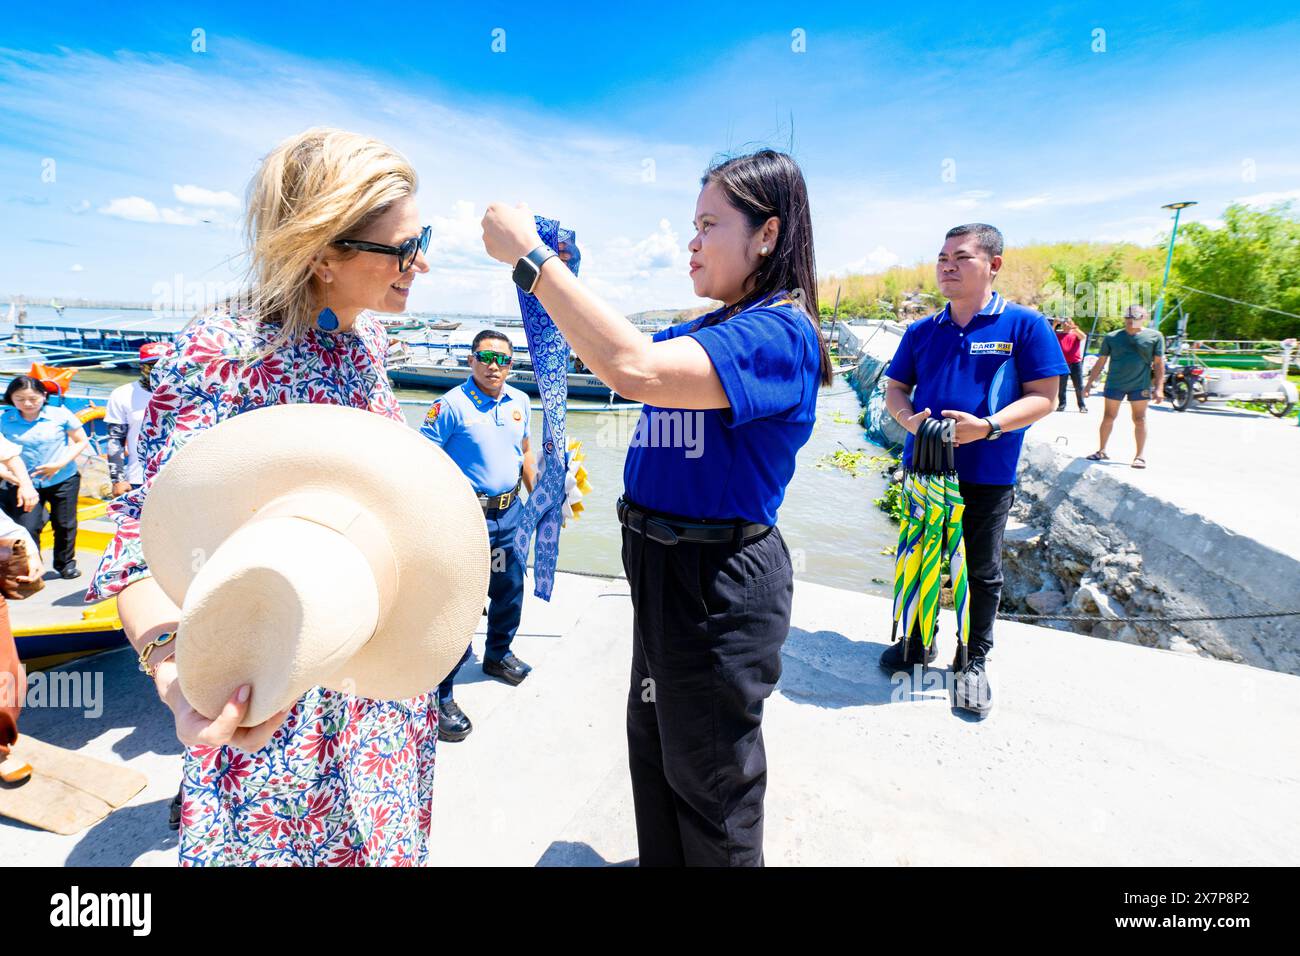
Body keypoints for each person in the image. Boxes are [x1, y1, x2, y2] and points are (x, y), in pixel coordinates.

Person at [86, 127, 444, 867]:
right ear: (322, 254)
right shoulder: (221, 353)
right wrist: (174, 673)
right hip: (271, 722)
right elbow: (138, 544)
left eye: (423, 238)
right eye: (404, 249)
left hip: (380, 705)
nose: (423, 263)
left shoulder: (368, 343)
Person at [482, 148, 833, 866]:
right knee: (659, 756)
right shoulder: (716, 326)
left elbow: (634, 370)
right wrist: (560, 279)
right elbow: (612, 354)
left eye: (709, 224)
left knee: (714, 788)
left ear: (767, 235)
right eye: (692, 225)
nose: (692, 242)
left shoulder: (778, 333)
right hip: (665, 573)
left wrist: (530, 261)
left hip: (714, 581)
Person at [880, 223, 1065, 716]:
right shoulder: (922, 331)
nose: (947, 265)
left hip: (986, 473)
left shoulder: (1025, 326)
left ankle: (972, 658)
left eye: (961, 257)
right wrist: (908, 420)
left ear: (993, 265)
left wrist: (987, 426)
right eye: (942, 257)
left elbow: (1045, 397)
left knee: (979, 570)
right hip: (925, 469)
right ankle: (917, 643)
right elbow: (895, 388)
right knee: (920, 559)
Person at [419, 329, 537, 742]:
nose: (494, 366)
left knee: (509, 590)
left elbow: (524, 453)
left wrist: (538, 503)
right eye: (486, 357)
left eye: (503, 359)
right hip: (465, 518)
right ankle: (441, 695)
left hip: (511, 514)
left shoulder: (520, 402)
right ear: (471, 360)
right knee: (458, 604)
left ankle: (497, 656)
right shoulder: (449, 406)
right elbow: (422, 461)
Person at [1, 375, 90, 579]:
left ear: (44, 395)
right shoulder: (4, 420)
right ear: (11, 399)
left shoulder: (60, 415)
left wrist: (58, 464)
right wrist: (7, 474)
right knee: (28, 525)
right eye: (20, 399)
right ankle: (33, 566)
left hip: (62, 478)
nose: (28, 403)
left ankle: (65, 563)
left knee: (65, 524)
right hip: (23, 483)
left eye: (33, 398)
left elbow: (80, 440)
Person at [1082, 305, 1165, 468]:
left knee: (1139, 419)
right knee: (1108, 416)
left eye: (1134, 318)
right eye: (1128, 318)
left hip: (1140, 384)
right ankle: (1101, 450)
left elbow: (1159, 364)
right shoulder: (1112, 337)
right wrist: (1089, 384)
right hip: (1115, 382)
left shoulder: (1155, 337)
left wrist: (1159, 387)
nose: (1130, 321)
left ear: (1143, 318)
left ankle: (1139, 456)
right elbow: (1101, 361)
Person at [104, 342, 171, 496]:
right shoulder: (122, 394)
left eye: (166, 365)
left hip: (178, 476)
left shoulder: (187, 393)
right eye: (153, 365)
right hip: (139, 477)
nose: (160, 370)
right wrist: (117, 480)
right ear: (141, 367)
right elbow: (115, 440)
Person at [1053, 317, 1087, 412]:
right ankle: (1062, 405)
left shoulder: (1075, 334)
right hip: (1062, 364)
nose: (1066, 324)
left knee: (1079, 386)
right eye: (1064, 323)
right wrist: (1055, 324)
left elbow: (1083, 336)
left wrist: (1073, 327)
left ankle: (1082, 406)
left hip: (1075, 363)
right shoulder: (1058, 335)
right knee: (1061, 386)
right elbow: (1049, 335)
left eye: (1068, 322)